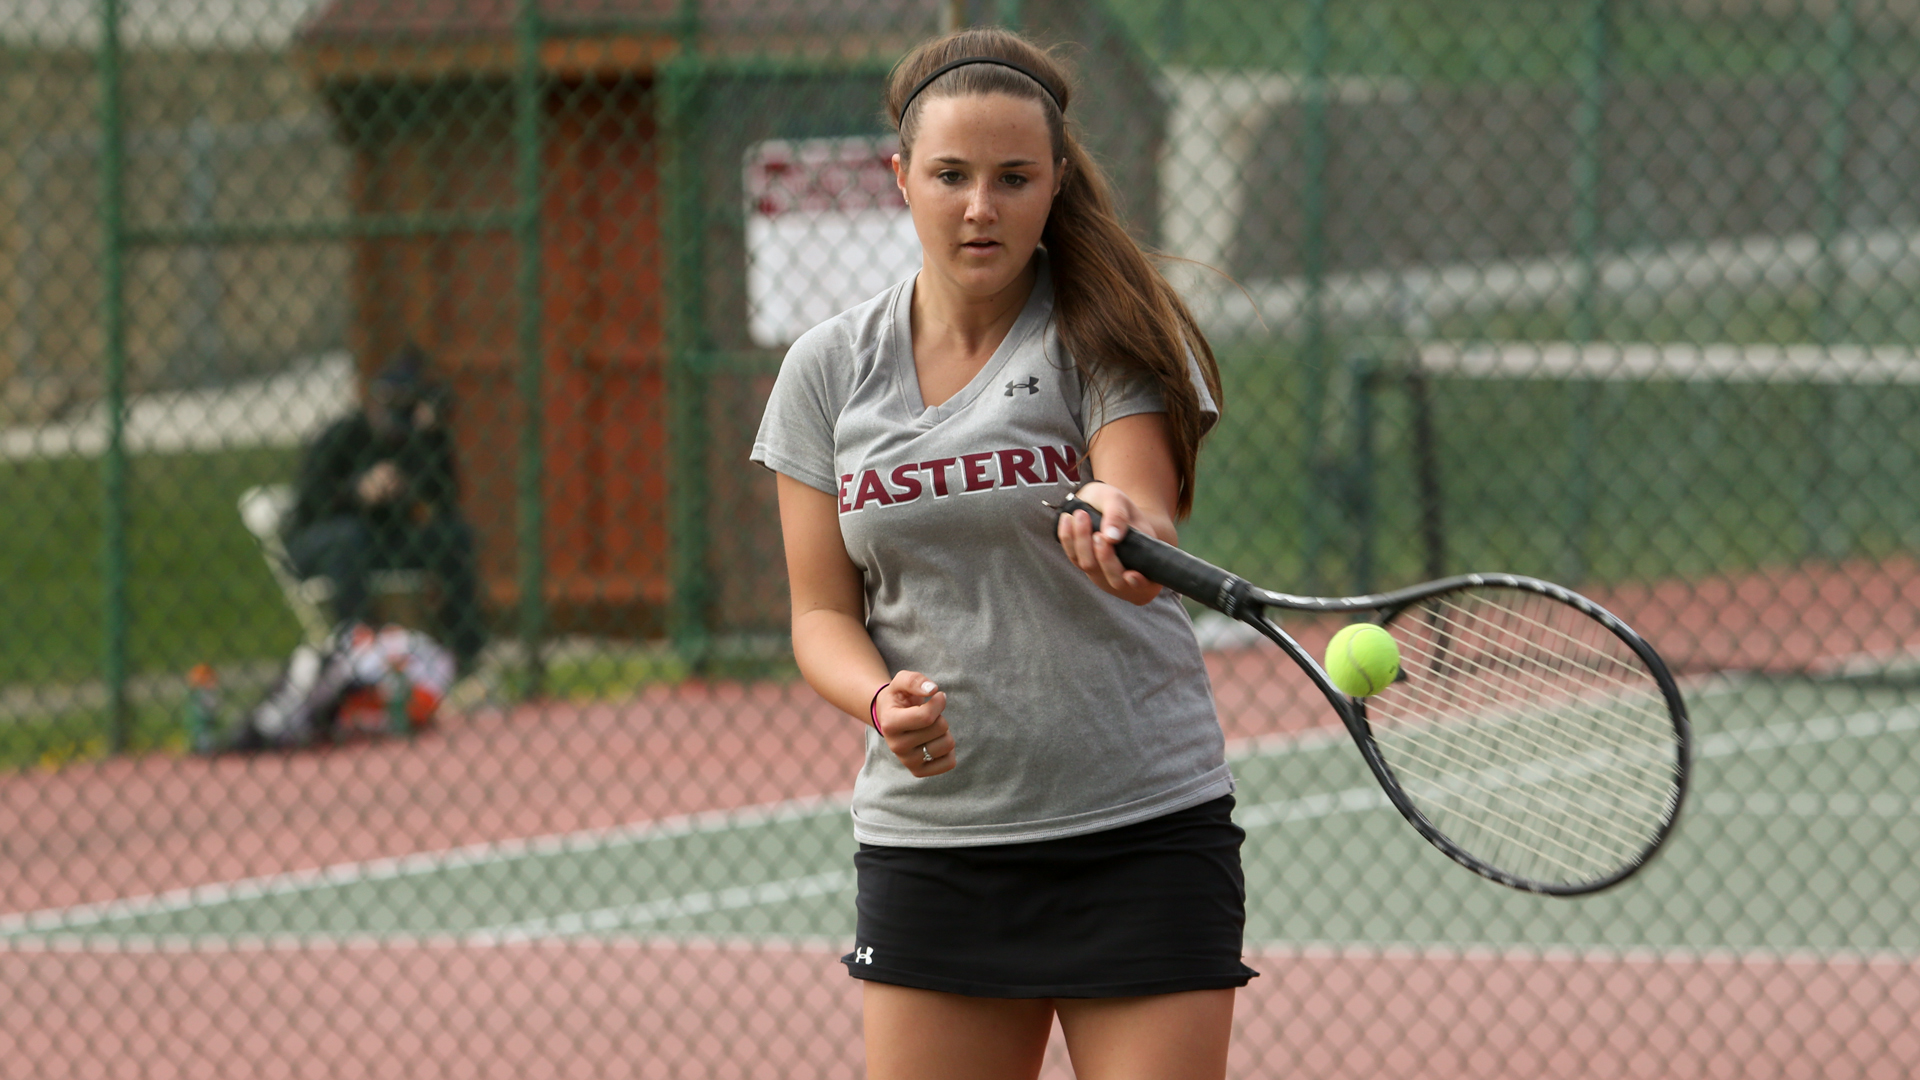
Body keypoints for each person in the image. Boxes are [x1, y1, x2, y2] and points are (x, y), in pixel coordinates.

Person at [750, 27, 1249, 1080]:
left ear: (1057, 182)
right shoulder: (828, 371)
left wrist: (1121, 522)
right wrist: (882, 704)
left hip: (1141, 831)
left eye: (1015, 178)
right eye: (952, 176)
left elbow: (1144, 506)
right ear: (902, 179)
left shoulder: (1105, 331)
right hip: (937, 850)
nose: (982, 206)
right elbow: (820, 616)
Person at [284, 343, 487, 672]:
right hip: (320, 544)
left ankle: (465, 658)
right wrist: (356, 492)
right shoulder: (342, 435)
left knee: (453, 536)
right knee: (350, 536)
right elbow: (310, 501)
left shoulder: (414, 442)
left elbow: (446, 498)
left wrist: (430, 440)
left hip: (383, 543)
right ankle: (363, 655)